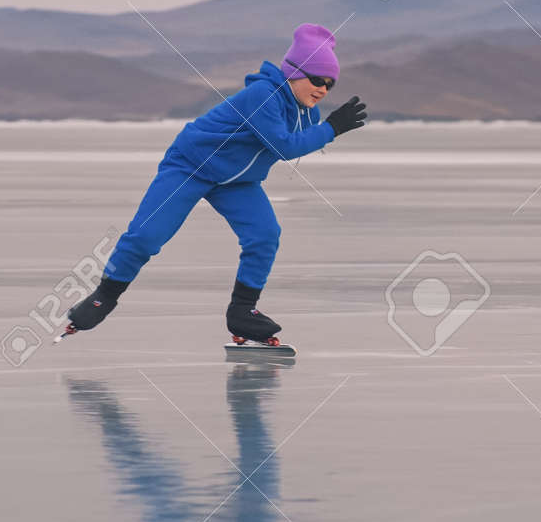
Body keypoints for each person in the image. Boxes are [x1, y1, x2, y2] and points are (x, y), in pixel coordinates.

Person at [62, 23, 369, 343]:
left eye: (330, 85)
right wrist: (333, 129)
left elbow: (297, 141)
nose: (322, 89)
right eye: (316, 79)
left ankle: (242, 312)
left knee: (265, 235)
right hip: (191, 167)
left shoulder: (308, 114)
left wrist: (324, 128)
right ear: (293, 72)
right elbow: (284, 146)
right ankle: (104, 296)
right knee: (147, 235)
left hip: (237, 181)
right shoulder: (263, 95)